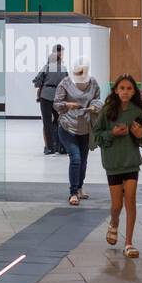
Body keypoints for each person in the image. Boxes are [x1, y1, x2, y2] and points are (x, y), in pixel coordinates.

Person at [92, 75, 142, 258]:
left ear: (134, 91)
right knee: (117, 205)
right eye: (122, 88)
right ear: (115, 90)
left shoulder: (137, 111)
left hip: (131, 162)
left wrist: (139, 135)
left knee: (130, 199)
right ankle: (114, 222)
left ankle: (129, 243)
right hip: (113, 163)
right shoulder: (107, 111)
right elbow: (96, 136)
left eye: (129, 88)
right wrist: (112, 133)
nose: (125, 91)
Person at [53, 60, 100, 205]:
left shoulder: (93, 83)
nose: (79, 75)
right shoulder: (65, 83)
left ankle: (80, 187)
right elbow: (56, 104)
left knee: (84, 161)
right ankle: (73, 192)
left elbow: (97, 100)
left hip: (84, 127)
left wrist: (93, 107)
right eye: (77, 72)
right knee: (76, 159)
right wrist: (68, 104)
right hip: (67, 126)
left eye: (82, 72)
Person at [32, 45, 67, 155]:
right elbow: (67, 82)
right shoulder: (64, 68)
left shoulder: (46, 68)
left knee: (47, 122)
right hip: (58, 96)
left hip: (46, 96)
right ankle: (62, 147)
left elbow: (37, 81)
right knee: (60, 121)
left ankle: (50, 148)